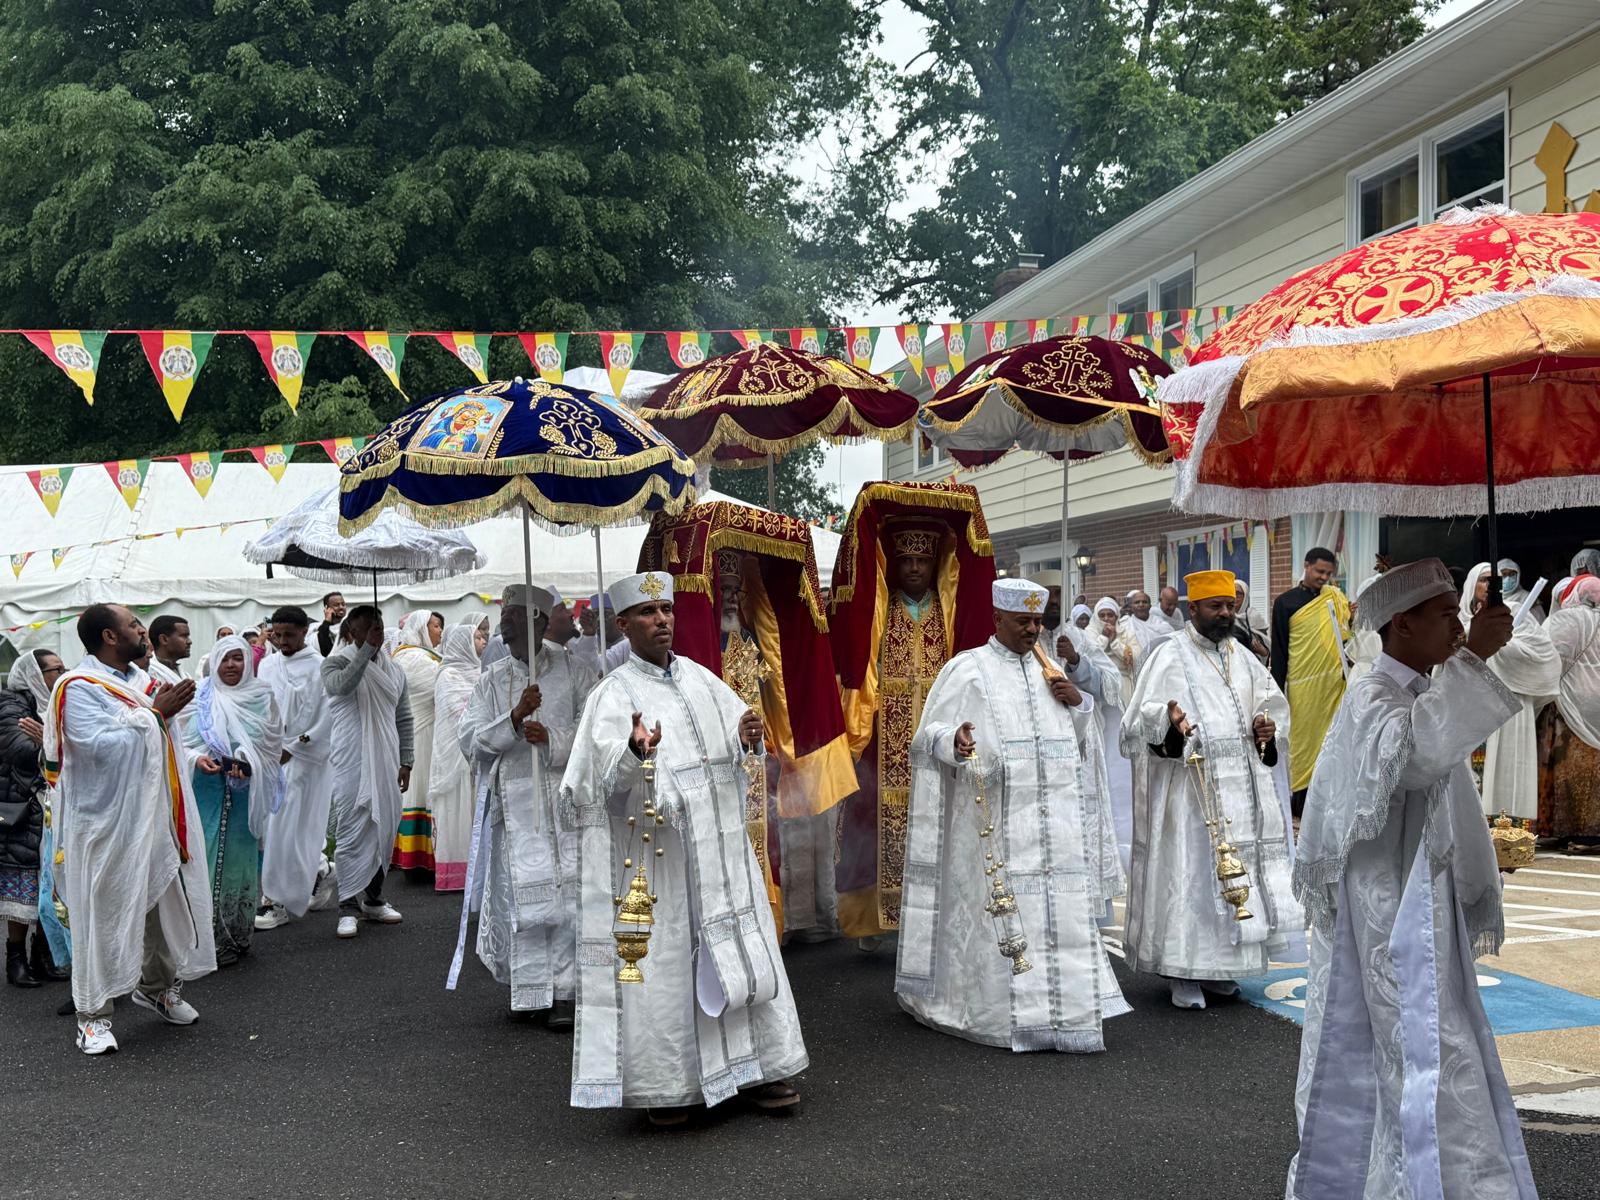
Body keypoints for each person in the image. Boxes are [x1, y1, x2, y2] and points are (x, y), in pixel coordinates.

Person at [1286, 558, 1530, 1198]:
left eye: (1459, 613)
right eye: (1446, 614)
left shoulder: (1419, 688)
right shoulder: (1373, 694)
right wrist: (1473, 658)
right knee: (1406, 1042)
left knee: (1433, 1037)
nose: (1457, 626)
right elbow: (1417, 757)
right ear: (1403, 623)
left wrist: (1465, 662)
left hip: (1422, 899)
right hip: (1385, 908)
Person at [559, 572, 806, 1123]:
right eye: (647, 612)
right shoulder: (611, 696)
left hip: (720, 859)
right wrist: (633, 754)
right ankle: (669, 1084)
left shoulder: (702, 679)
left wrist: (748, 737)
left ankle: (760, 1068)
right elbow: (590, 790)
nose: (661, 620)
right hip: (661, 866)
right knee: (668, 967)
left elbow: (739, 748)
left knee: (738, 953)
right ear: (623, 625)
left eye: (665, 610)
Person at [898, 578, 1128, 1051]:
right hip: (996, 828)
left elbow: (1076, 743)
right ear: (997, 619)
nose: (1033, 630)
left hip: (1052, 827)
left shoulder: (1049, 669)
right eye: (1023, 621)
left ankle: (1064, 1007)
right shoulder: (969, 670)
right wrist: (954, 742)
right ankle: (998, 1012)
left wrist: (1078, 705)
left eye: (1038, 621)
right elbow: (926, 737)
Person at [1121, 571, 1300, 1010]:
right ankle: (1182, 971)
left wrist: (1267, 729)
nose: (1225, 614)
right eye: (1215, 607)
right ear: (1193, 609)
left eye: (1229, 606)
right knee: (1191, 876)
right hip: (1189, 793)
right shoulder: (1171, 656)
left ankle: (1221, 968)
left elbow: (1273, 707)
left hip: (1242, 793)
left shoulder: (1243, 656)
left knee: (1233, 880)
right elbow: (1137, 723)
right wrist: (1170, 722)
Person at [46, 604, 214, 1055]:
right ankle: (93, 1015)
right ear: (110, 637)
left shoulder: (142, 682)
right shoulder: (77, 687)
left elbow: (162, 744)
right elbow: (98, 749)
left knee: (160, 905)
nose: (144, 631)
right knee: (102, 916)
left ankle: (157, 989)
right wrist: (154, 715)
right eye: (135, 625)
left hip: (152, 819)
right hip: (104, 826)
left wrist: (161, 714)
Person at [455, 588, 593, 1022]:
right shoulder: (491, 679)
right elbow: (470, 740)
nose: (505, 622)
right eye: (504, 614)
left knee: (566, 895)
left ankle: (567, 994)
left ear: (537, 620)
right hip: (513, 808)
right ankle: (533, 992)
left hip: (562, 800)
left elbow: (593, 730)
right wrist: (514, 719)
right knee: (523, 899)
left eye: (514, 615)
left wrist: (552, 738)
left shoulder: (575, 670)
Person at [183, 636, 282, 966]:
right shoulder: (201, 697)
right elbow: (182, 744)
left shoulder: (262, 696)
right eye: (224, 659)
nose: (230, 666)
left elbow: (272, 747)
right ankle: (206, 940)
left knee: (240, 864)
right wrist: (197, 759)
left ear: (248, 663)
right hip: (207, 792)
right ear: (214, 662)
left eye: (237, 659)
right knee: (206, 859)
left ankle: (236, 934)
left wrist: (246, 761)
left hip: (244, 798)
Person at [322, 605, 413, 939]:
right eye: (367, 629)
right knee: (350, 828)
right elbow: (342, 687)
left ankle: (374, 899)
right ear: (352, 632)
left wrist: (407, 759)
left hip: (387, 758)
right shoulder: (334, 662)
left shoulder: (396, 670)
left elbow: (404, 717)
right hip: (351, 760)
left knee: (384, 827)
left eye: (379, 627)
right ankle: (347, 904)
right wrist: (365, 653)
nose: (376, 632)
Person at [1460, 562, 1560, 821]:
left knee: (1506, 769)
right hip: (1470, 707)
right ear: (1472, 585)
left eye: (1497, 580)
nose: (1492, 585)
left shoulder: (1516, 613)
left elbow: (1543, 655)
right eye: (1484, 580)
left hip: (1509, 705)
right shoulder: (1460, 620)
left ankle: (1509, 831)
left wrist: (1500, 645)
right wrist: (1473, 638)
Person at [256, 606, 335, 928]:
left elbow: (327, 714)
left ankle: (274, 901)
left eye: (290, 634)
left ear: (305, 632)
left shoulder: (321, 667)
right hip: (269, 756)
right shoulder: (266, 665)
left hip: (305, 758)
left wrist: (295, 745)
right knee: (272, 828)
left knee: (287, 827)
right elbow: (260, 707)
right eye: (277, 634)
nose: (283, 640)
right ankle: (319, 870)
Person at [1, 648, 68, 987]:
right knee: (22, 883)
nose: (62, 673)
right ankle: (16, 959)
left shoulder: (55, 701)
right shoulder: (11, 704)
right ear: (33, 675)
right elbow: (19, 750)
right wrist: (54, 742)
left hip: (52, 805)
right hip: (22, 807)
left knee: (50, 883)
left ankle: (44, 954)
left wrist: (50, 740)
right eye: (54, 670)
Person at [1271, 547, 1350, 814]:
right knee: (1302, 743)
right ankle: (1300, 803)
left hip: (1332, 686)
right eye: (1319, 571)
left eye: (1328, 573)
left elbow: (1345, 638)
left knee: (1332, 740)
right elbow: (1279, 649)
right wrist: (1276, 691)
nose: (1324, 577)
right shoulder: (1285, 602)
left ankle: (1329, 799)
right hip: (1302, 686)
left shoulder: (1335, 598)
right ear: (1305, 566)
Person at [1537, 576, 1600, 849]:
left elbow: (1548, 659)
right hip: (1596, 703)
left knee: (1569, 765)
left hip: (1571, 703)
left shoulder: (1565, 620)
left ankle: (1573, 828)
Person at [430, 612, 489, 893]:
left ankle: (476, 871)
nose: (483, 641)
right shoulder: (448, 674)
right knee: (456, 809)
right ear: (461, 643)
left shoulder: (480, 671)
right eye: (477, 637)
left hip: (475, 753)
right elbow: (456, 712)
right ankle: (454, 872)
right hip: (454, 754)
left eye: (483, 636)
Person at [392, 610, 444, 875]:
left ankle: (420, 853)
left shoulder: (421, 657)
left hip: (427, 731)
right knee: (418, 791)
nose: (440, 632)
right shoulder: (412, 658)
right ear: (422, 628)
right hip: (420, 734)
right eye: (435, 626)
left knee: (421, 790)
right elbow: (440, 685)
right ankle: (417, 856)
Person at [1498, 558, 1545, 624]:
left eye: (1512, 574)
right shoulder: (1492, 599)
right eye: (1504, 574)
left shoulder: (1529, 598)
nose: (1508, 578)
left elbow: (1540, 622)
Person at [1232, 581, 1269, 665]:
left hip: (1252, 664)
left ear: (1245, 596)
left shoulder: (1254, 616)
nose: (1234, 596)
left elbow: (1265, 646)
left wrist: (1263, 652)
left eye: (1238, 593)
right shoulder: (1225, 617)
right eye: (1232, 593)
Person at [316, 592, 346, 657]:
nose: (341, 607)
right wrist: (327, 620)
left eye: (343, 604)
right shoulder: (322, 629)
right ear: (327, 608)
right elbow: (325, 650)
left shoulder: (351, 625)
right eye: (336, 605)